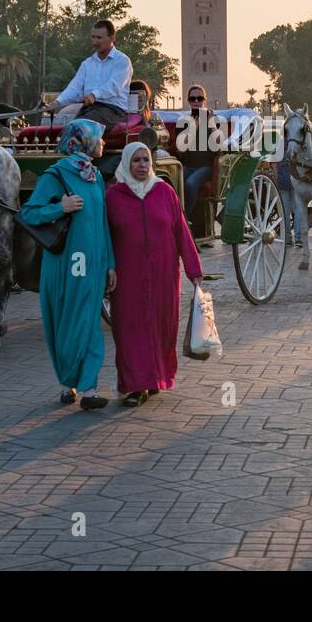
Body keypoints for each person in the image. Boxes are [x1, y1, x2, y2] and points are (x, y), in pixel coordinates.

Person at [20, 119, 116, 411]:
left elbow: (103, 223)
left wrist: (109, 264)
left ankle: (87, 388)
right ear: (83, 140)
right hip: (67, 265)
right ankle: (70, 384)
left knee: (88, 323)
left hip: (93, 263)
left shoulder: (95, 177)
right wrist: (58, 208)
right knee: (66, 323)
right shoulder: (56, 175)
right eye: (99, 138)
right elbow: (28, 213)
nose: (103, 143)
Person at [106, 142, 203, 407]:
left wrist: (194, 268)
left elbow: (181, 231)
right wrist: (108, 266)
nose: (141, 166)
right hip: (128, 275)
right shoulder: (113, 196)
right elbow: (105, 238)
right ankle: (136, 385)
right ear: (126, 163)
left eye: (145, 160)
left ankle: (156, 378)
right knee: (130, 328)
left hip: (164, 273)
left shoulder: (164, 192)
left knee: (161, 326)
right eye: (136, 160)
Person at [47, 18, 134, 131]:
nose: (95, 42)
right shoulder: (87, 64)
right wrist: (57, 103)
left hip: (113, 111)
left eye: (99, 38)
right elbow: (74, 88)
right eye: (93, 37)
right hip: (89, 110)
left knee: (79, 128)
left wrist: (94, 95)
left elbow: (114, 86)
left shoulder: (122, 61)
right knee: (68, 131)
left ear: (112, 38)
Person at [174, 84, 216, 223]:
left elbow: (218, 145)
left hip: (206, 167)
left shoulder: (212, 120)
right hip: (188, 166)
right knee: (172, 182)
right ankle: (173, 217)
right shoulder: (182, 122)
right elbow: (180, 149)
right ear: (188, 101)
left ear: (205, 100)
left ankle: (184, 220)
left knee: (190, 184)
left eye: (200, 98)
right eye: (193, 99)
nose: (196, 102)